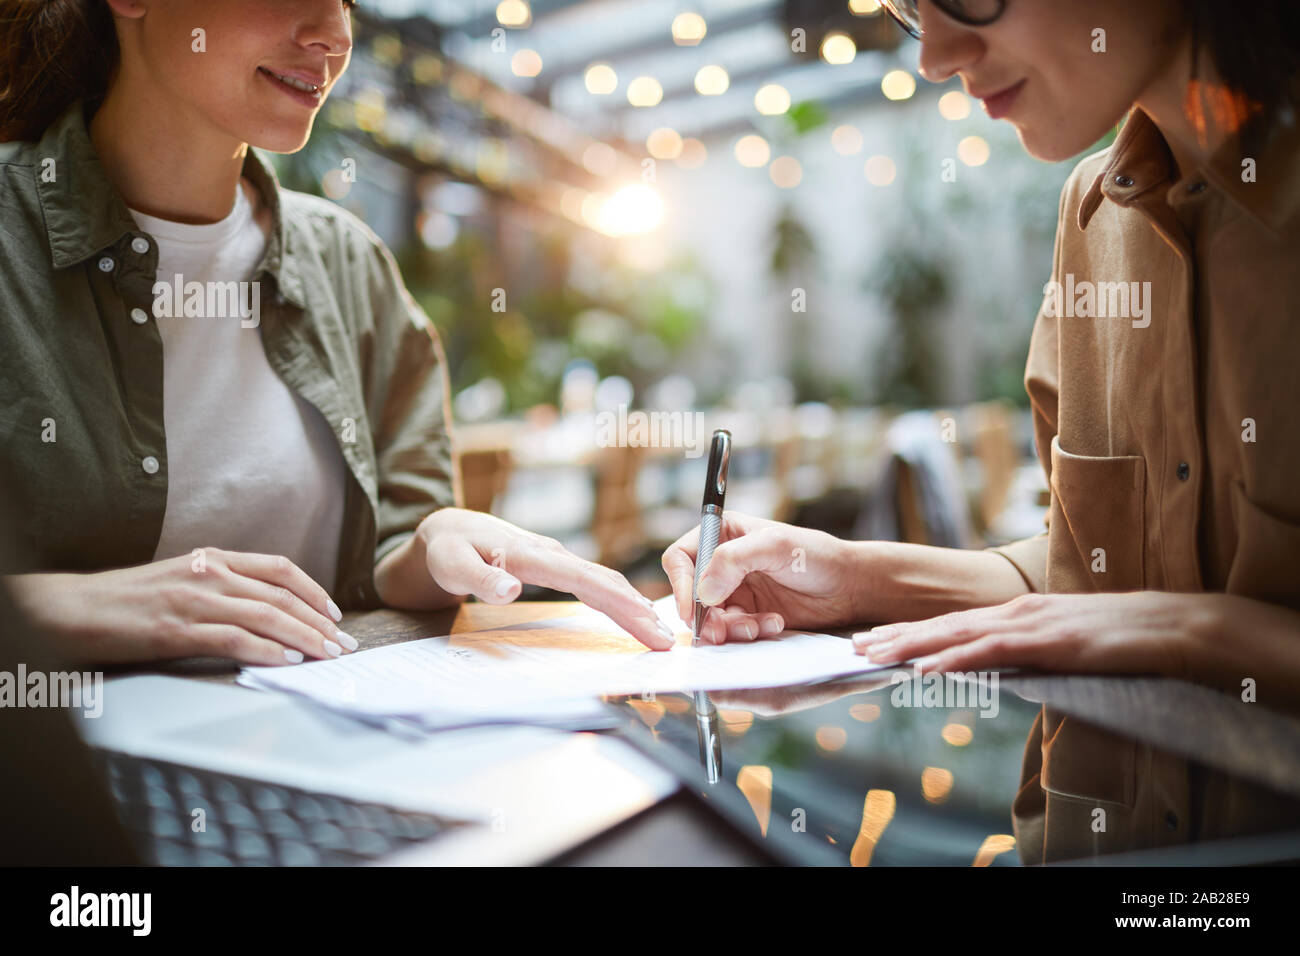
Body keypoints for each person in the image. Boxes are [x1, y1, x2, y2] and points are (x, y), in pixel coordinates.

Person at [663, 0, 1300, 860]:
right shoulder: (1093, 215)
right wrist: (848, 575)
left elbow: (1129, 613)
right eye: (907, 5)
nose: (935, 55)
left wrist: (1202, 631)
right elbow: (1084, 578)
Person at [0, 0, 677, 667]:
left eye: (349, 0)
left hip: (307, 758)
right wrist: (87, 608)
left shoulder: (350, 267)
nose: (333, 34)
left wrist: (433, 541)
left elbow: (388, 556)